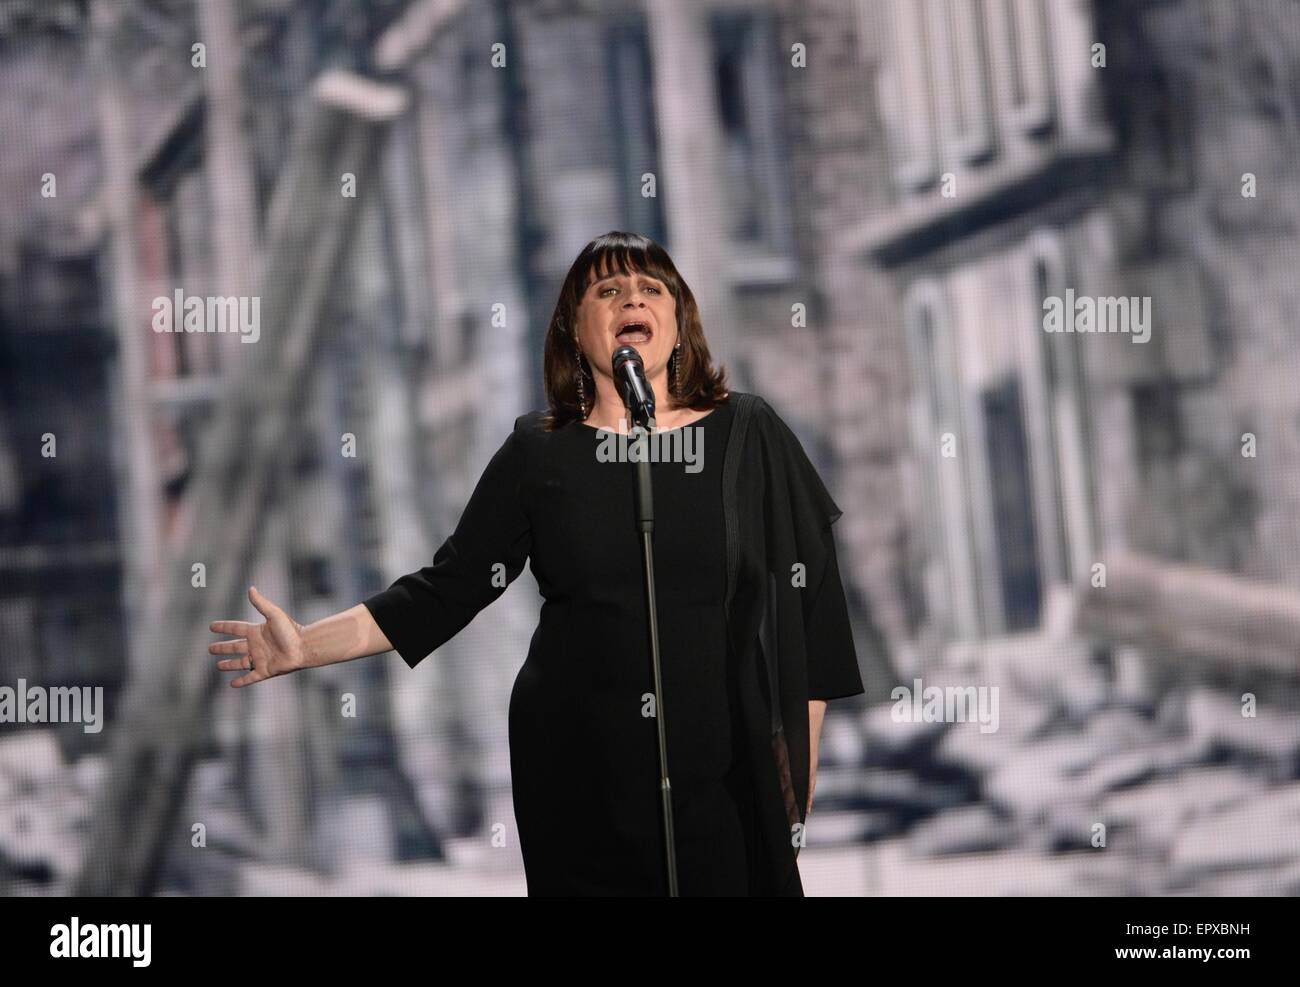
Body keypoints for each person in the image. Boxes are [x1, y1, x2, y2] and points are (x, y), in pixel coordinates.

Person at [209, 231, 864, 896]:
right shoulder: (539, 451)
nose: (631, 298)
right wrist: (305, 646)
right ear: (574, 330)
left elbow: (811, 608)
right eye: (607, 290)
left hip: (726, 770)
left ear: (679, 319)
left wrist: (795, 764)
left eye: (650, 288)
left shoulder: (748, 435)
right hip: (582, 772)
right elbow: (447, 588)